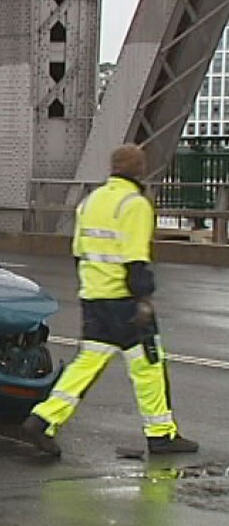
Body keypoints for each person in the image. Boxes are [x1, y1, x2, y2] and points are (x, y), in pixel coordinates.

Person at [22, 144, 198, 457]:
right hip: (125, 302)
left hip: (94, 299)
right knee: (149, 366)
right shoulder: (135, 204)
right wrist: (143, 300)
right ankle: (160, 435)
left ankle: (43, 418)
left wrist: (92, 286)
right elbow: (135, 261)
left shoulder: (91, 202)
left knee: (86, 366)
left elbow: (79, 254)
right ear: (139, 169)